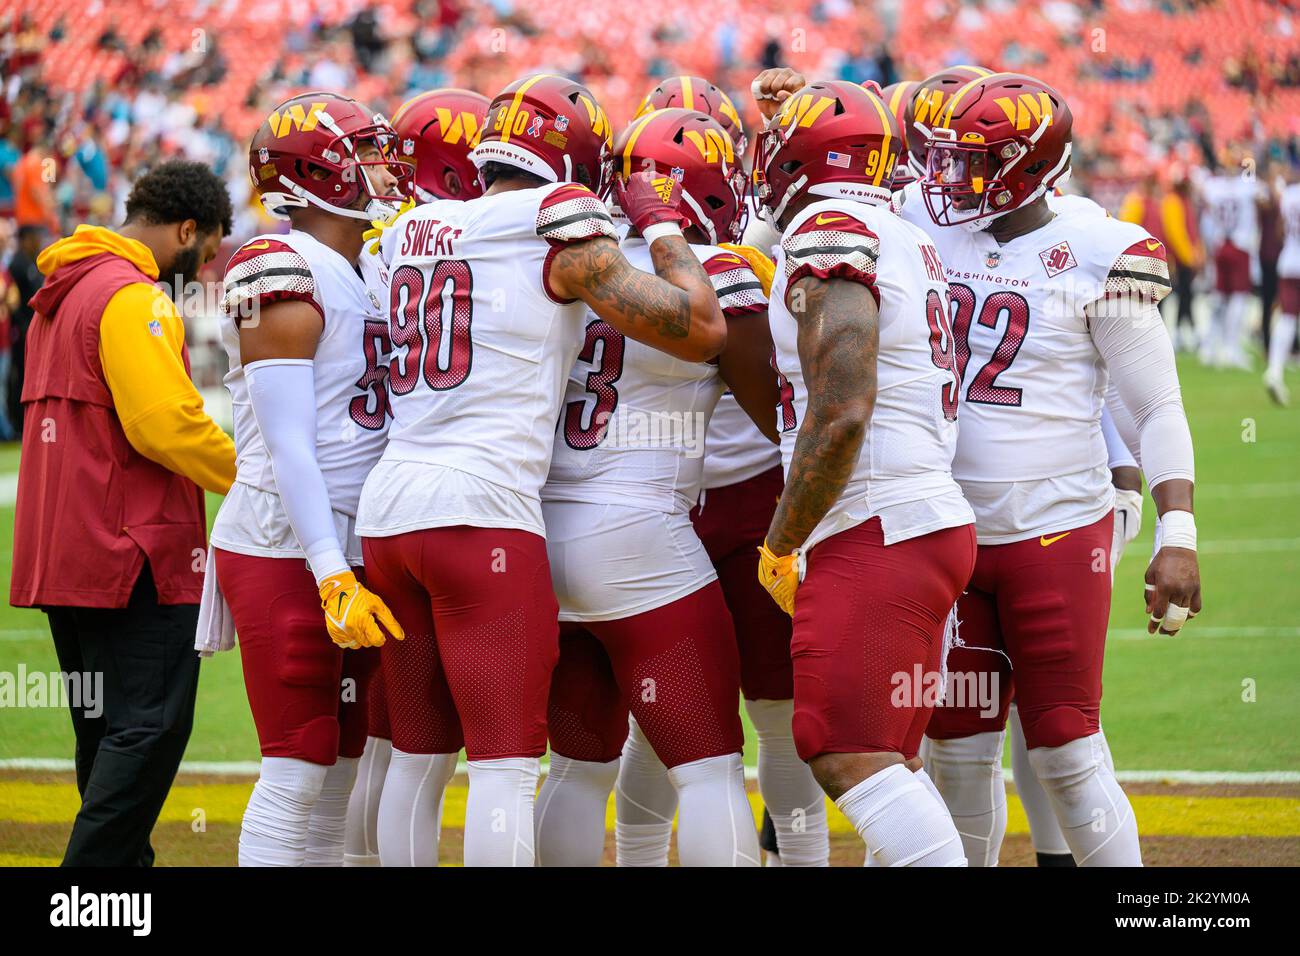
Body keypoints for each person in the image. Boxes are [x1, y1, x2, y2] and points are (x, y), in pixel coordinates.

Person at [356, 73, 726, 867]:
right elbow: (697, 328)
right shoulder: (554, 218)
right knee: (504, 766)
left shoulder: (413, 227)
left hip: (389, 512)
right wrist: (661, 226)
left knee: (418, 755)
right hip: (482, 510)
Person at [888, 69, 1200, 866]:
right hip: (945, 533)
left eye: (972, 161)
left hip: (1055, 535)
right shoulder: (920, 216)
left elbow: (1154, 407)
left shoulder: (1097, 250)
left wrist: (1180, 531)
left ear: (1028, 167)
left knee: (1067, 748)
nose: (948, 177)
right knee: (958, 756)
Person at [534, 108, 772, 868]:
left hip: (538, 531)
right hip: (640, 536)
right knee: (706, 769)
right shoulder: (717, 271)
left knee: (577, 765)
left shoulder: (568, 257)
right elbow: (776, 412)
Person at [750, 76, 977, 866]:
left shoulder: (831, 229)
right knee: (889, 754)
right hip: (918, 518)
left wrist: (782, 540)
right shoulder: (900, 230)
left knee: (844, 750)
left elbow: (843, 408)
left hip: (875, 520)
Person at [200, 92, 412, 867]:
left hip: (358, 532)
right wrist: (329, 573)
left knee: (346, 760)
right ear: (315, 172)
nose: (384, 167)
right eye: (364, 151)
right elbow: (290, 444)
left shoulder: (369, 263)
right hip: (289, 537)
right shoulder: (279, 263)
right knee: (298, 758)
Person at [11, 159, 236, 866]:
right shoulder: (132, 296)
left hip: (65, 550)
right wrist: (258, 475)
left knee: (106, 734)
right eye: (206, 252)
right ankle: (90, 893)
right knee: (147, 730)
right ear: (187, 228)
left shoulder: (60, 292)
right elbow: (162, 424)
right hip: (130, 551)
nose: (203, 273)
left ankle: (119, 887)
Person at [342, 86, 489, 868]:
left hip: (380, 495)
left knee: (389, 734)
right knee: (446, 746)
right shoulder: (490, 232)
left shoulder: (378, 241)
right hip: (464, 493)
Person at [6, 224, 45, 433]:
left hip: (33, 331)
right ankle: (19, 424)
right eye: (34, 237)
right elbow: (17, 304)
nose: (37, 241)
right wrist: (23, 328)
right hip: (22, 334)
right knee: (20, 377)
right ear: (24, 239)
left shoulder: (33, 262)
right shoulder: (17, 264)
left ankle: (27, 422)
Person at [1268, 168, 1300, 405]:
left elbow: (1280, 229)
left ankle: (1275, 370)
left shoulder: (1288, 194)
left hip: (1289, 260)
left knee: (1287, 317)